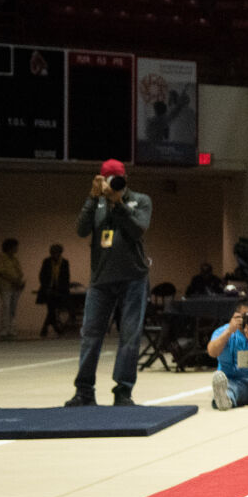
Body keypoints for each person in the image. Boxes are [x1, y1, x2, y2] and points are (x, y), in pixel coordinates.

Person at [67, 161, 153, 407]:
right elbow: (82, 229)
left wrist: (119, 203)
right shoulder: (96, 202)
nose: (115, 183)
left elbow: (138, 229)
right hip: (101, 280)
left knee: (130, 336)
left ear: (126, 177)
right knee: (90, 335)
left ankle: (123, 390)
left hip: (133, 278)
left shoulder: (140, 200)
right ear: (101, 180)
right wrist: (92, 198)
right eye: (109, 178)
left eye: (118, 178)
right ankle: (84, 391)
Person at [37, 243, 72, 337]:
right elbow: (42, 275)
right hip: (48, 289)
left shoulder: (64, 262)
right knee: (51, 309)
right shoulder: (47, 261)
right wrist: (45, 287)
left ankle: (48, 328)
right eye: (53, 253)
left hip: (60, 289)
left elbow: (66, 277)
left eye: (56, 253)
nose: (54, 255)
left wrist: (64, 289)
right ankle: (51, 328)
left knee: (52, 310)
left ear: (60, 253)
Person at [0, 238, 24, 340]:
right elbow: (0, 272)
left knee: (13, 309)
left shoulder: (15, 259)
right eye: (15, 246)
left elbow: (19, 272)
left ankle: (12, 329)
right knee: (6, 308)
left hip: (15, 287)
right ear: (9, 247)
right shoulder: (1, 258)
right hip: (6, 286)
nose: (17, 248)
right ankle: (4, 329)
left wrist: (19, 282)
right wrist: (13, 280)